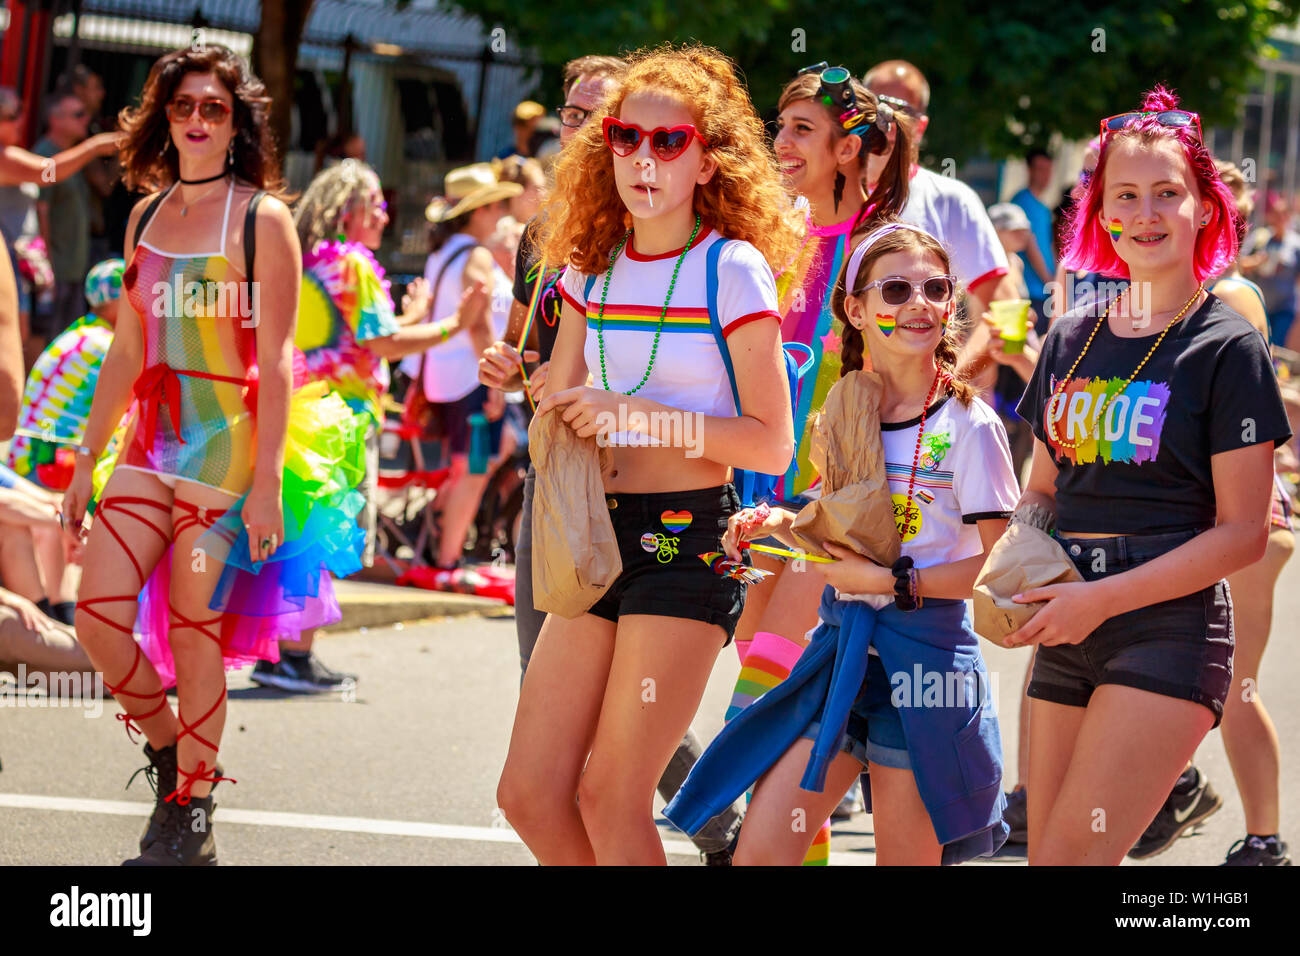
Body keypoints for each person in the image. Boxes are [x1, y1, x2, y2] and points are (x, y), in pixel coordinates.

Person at [495, 43, 801, 865]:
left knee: (610, 795)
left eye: (670, 142)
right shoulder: (590, 268)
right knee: (526, 793)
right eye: (627, 137)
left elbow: (770, 439)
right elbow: (563, 409)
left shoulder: (731, 271)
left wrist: (632, 413)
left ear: (709, 159)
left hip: (686, 541)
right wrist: (535, 386)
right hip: (596, 532)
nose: (644, 158)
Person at [62, 43, 365, 866]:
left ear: (237, 125)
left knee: (195, 630)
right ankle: (173, 753)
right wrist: (88, 456)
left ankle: (189, 815)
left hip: (227, 443)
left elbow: (276, 360)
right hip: (152, 436)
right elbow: (127, 347)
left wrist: (265, 486)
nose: (197, 120)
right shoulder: (144, 216)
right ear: (165, 115)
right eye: (184, 106)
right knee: (96, 618)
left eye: (215, 109)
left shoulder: (262, 217)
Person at [664, 222, 1018, 865]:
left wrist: (893, 585)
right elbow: (841, 519)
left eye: (934, 289)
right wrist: (780, 520)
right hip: (839, 651)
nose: (918, 303)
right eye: (895, 289)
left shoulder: (972, 424)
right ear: (854, 309)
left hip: (926, 666)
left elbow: (1005, 566)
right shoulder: (847, 406)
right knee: (760, 854)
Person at [1006, 88, 1291, 865]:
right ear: (1100, 215)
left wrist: (1100, 600)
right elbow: (1044, 491)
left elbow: (1242, 534)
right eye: (1125, 195)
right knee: (1046, 860)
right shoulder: (1069, 338)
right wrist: (1008, 568)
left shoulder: (1228, 347)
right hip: (1065, 619)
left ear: (1206, 209)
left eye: (1170, 193)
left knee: (1072, 854)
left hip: (1166, 625)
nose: (1147, 211)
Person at [716, 62, 913, 864]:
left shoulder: (880, 252)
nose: (782, 142)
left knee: (764, 712)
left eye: (802, 128)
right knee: (788, 731)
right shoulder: (776, 241)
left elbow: (910, 389)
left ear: (848, 148)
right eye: (780, 125)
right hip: (763, 495)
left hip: (833, 506)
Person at [249, 159, 487, 694]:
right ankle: (294, 656)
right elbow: (379, 345)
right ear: (351, 211)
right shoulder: (355, 263)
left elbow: (350, 337)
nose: (384, 216)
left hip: (303, 417)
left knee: (301, 529)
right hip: (343, 421)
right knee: (325, 534)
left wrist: (411, 317)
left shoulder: (310, 261)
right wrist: (454, 324)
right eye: (376, 205)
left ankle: (281, 652)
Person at [1130, 159, 1293, 865]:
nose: (1152, 217)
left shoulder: (1232, 297)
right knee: (1175, 676)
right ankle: (1181, 787)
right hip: (1188, 525)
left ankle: (1262, 838)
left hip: (1246, 524)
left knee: (1232, 685)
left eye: (1173, 198)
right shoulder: (1147, 300)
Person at [402, 164, 519, 580]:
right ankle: (448, 559)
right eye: (497, 206)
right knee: (472, 468)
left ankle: (439, 522)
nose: (503, 213)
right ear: (481, 210)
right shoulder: (475, 254)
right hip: (470, 379)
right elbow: (479, 321)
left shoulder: (443, 252)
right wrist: (496, 385)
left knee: (486, 454)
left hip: (443, 376)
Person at [862, 60, 1017, 320]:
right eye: (876, 108)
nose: (885, 121)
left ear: (920, 127)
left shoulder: (952, 199)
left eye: (900, 111)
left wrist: (955, 363)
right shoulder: (825, 191)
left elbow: (1005, 312)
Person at [32, 91, 98, 355]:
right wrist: (46, 266)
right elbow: (40, 211)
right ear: (55, 119)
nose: (86, 120)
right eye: (78, 114)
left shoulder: (70, 156)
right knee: (47, 341)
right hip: (54, 270)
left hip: (74, 267)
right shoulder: (45, 156)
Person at [1240, 191, 1300, 349]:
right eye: (1275, 215)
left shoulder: (1295, 245)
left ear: (1288, 217)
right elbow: (1240, 264)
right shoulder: (1260, 239)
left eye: (1283, 215)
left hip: (1284, 309)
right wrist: (1258, 262)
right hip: (1260, 305)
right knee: (1260, 346)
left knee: (1277, 348)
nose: (1279, 219)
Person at [1010, 148, 1057, 333]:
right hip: (1028, 291)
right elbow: (1031, 246)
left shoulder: (1044, 209)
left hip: (1046, 291)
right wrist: (1051, 282)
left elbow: (1049, 245)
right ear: (1029, 170)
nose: (1046, 175)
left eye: (1049, 170)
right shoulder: (1022, 201)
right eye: (1040, 169)